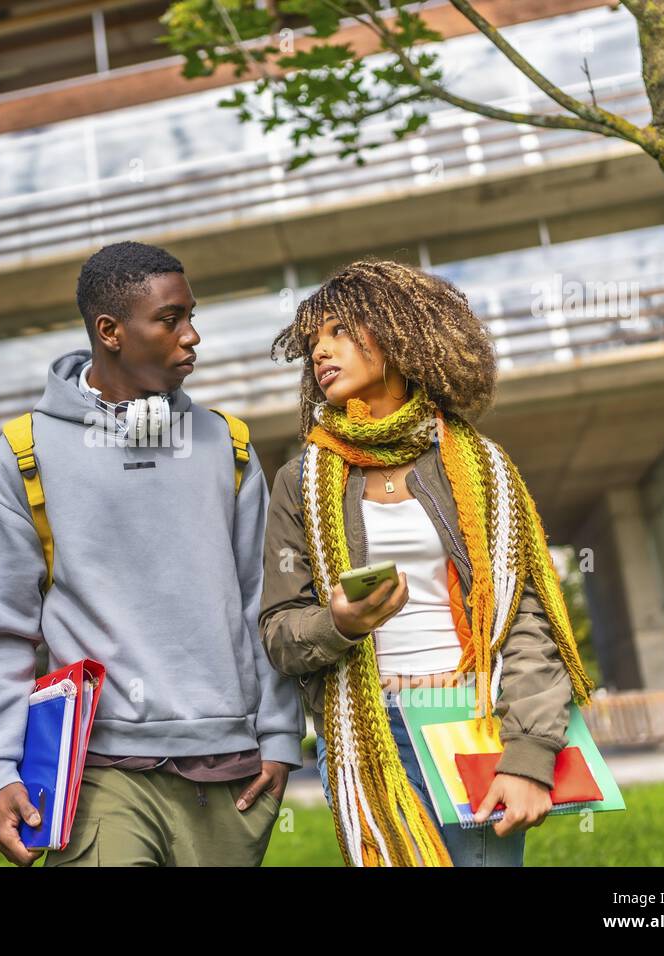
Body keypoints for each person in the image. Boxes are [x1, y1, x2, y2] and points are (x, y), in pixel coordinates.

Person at [0, 241, 305, 866]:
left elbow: (264, 604)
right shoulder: (26, 453)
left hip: (229, 772)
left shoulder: (228, 446)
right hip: (96, 771)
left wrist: (280, 736)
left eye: (191, 316)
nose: (192, 336)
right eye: (170, 320)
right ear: (109, 331)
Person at [258, 258, 594, 867]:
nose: (320, 351)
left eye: (339, 331)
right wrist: (339, 623)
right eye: (313, 342)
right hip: (364, 732)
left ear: (397, 333)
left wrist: (528, 754)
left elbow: (525, 620)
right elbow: (280, 631)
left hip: (471, 715)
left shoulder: (483, 467)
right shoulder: (298, 481)